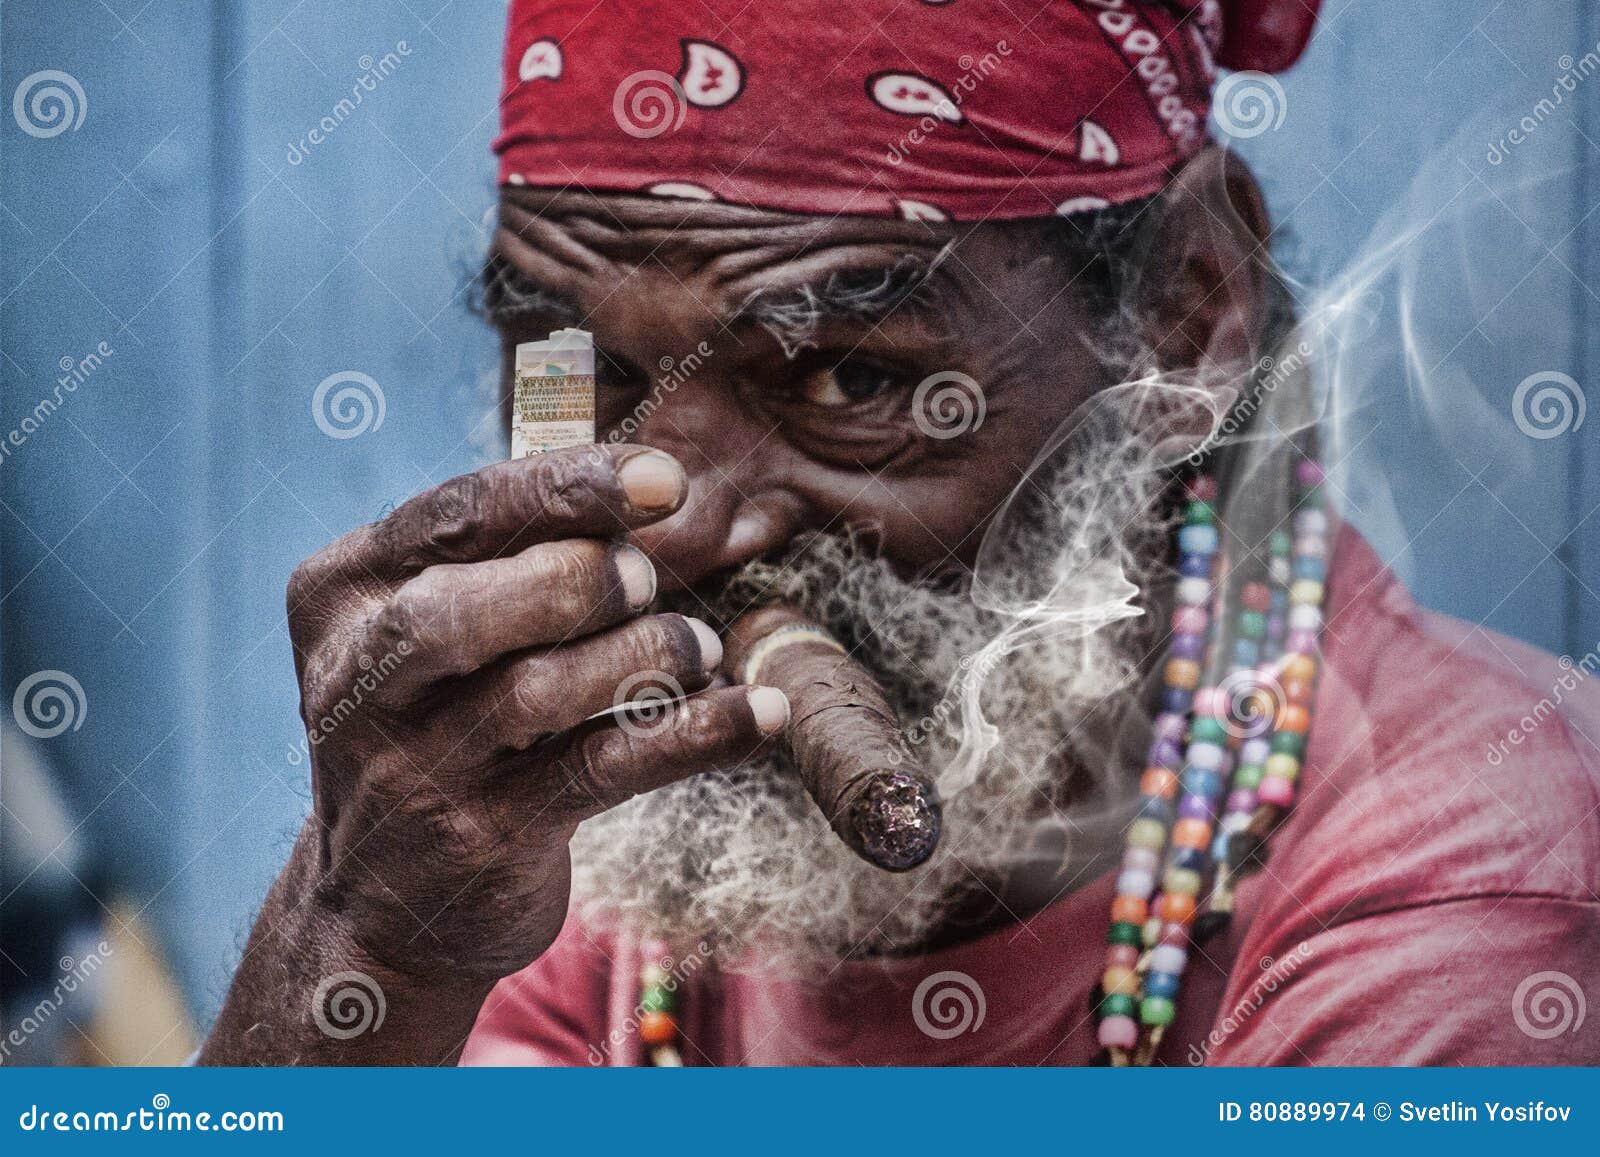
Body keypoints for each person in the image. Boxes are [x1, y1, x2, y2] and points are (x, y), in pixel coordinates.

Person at [200, 0, 1600, 1067]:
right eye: (579, 375)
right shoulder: (595, 879)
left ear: (1189, 310)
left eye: (851, 379)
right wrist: (369, 935)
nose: (675, 527)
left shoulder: (1461, 906)